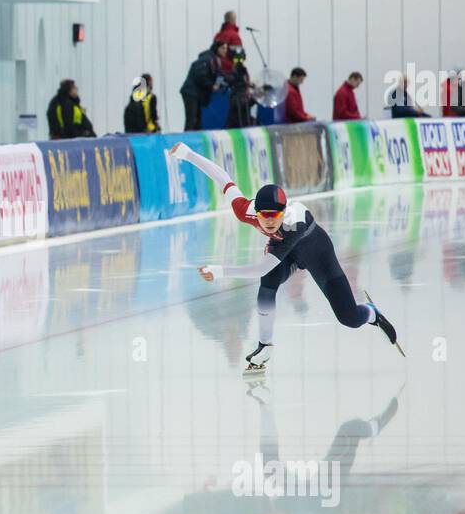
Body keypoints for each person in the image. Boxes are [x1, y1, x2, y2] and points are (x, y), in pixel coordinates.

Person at [168, 141, 402, 376]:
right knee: (267, 287)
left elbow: (260, 267)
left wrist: (219, 271)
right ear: (255, 213)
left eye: (275, 216)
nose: (269, 221)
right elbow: (223, 179)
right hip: (285, 252)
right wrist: (188, 154)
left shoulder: (294, 223)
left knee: (349, 318)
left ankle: (371, 312)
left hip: (318, 254)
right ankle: (265, 346)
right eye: (264, 216)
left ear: (284, 212)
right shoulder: (246, 211)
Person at [180, 47, 218, 131]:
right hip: (191, 93)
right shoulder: (206, 60)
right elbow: (200, 75)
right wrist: (211, 86)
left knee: (197, 120)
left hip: (195, 93)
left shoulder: (209, 61)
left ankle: (194, 138)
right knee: (192, 119)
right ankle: (187, 140)